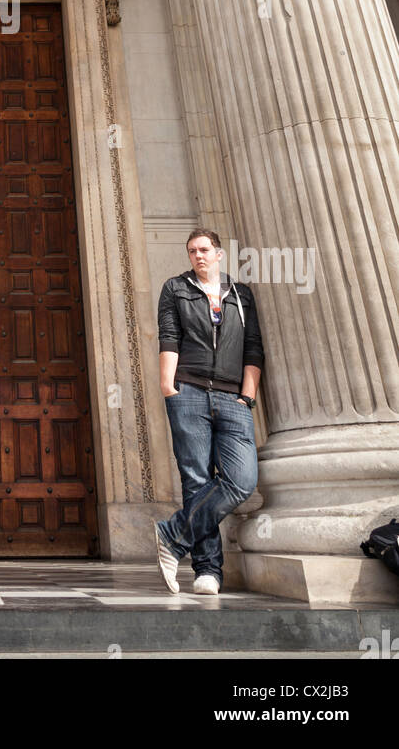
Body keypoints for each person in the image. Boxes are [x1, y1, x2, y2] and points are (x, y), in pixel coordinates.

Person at [154, 228, 264, 595]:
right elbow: (168, 336)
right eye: (191, 251)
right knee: (196, 480)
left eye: (204, 250)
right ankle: (208, 570)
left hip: (232, 397)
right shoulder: (175, 288)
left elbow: (253, 348)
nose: (198, 256)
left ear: (219, 253)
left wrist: (247, 397)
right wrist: (169, 387)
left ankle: (174, 534)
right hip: (189, 390)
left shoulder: (240, 295)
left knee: (241, 479)